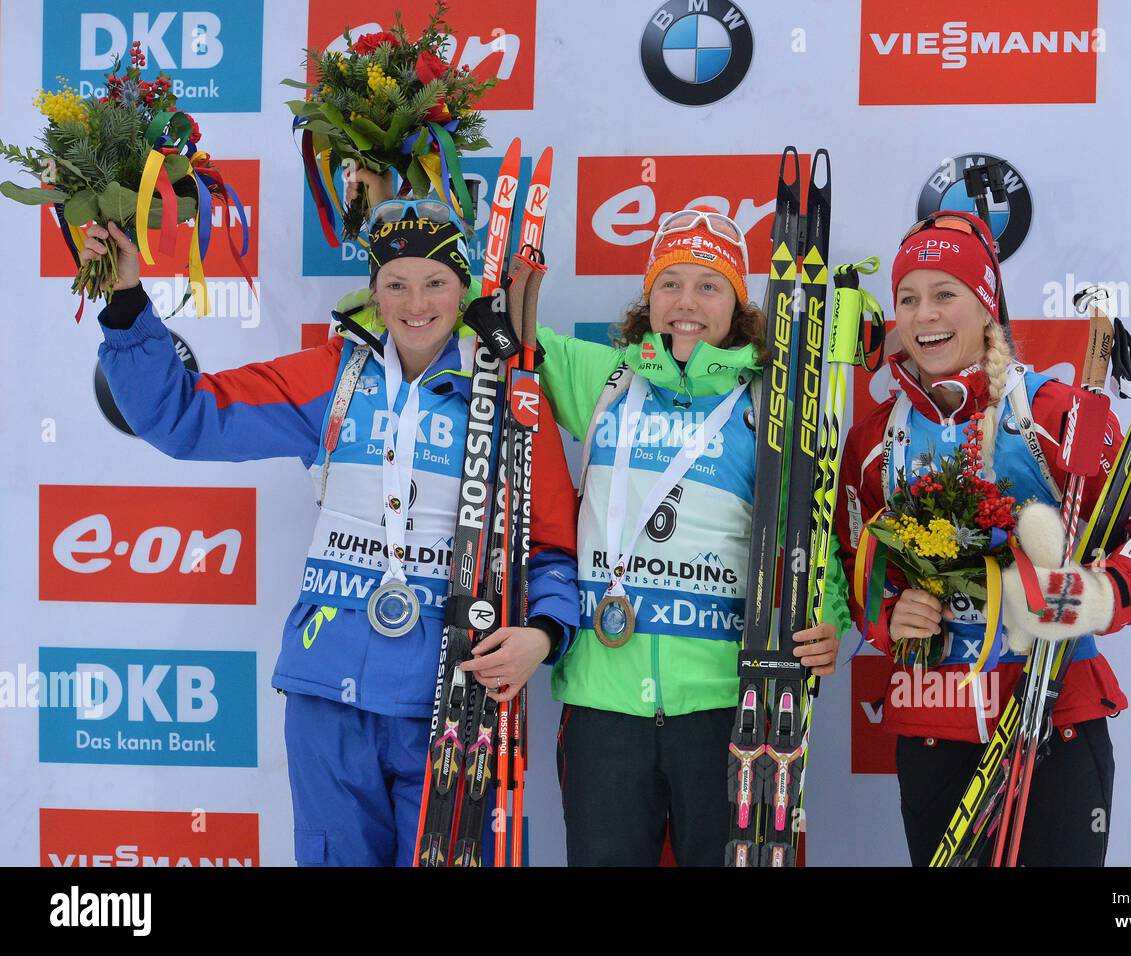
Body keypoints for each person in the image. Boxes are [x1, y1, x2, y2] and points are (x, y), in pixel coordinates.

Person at [81, 201, 579, 867]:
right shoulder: (330, 377)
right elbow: (185, 417)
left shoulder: (514, 393)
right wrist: (123, 302)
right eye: (395, 283)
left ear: (464, 289)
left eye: (434, 282)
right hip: (330, 690)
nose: (416, 303)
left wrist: (542, 635)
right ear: (373, 291)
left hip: (454, 691)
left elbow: (548, 542)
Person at [833, 211, 1131, 866]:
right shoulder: (875, 441)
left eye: (945, 294)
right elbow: (860, 560)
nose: (923, 314)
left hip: (1055, 716)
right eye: (908, 297)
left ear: (985, 306)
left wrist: (1100, 592)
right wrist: (887, 617)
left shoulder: (1049, 412)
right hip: (935, 724)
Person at [533, 206, 851, 866]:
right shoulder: (602, 378)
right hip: (603, 702)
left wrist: (826, 619)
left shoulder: (769, 400)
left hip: (726, 705)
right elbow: (485, 324)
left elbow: (808, 527)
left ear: (738, 305)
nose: (686, 303)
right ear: (648, 297)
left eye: (708, 286)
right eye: (669, 283)